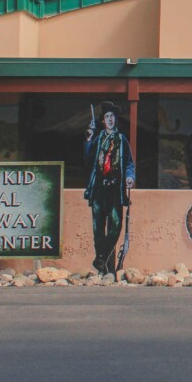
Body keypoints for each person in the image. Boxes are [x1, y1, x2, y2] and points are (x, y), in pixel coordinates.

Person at [83, 101, 135, 274]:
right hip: (99, 188)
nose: (110, 119)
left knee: (116, 224)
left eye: (112, 116)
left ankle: (101, 258)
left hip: (114, 188)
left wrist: (129, 177)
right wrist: (89, 139)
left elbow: (128, 163)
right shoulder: (99, 139)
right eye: (107, 117)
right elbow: (89, 159)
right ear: (103, 121)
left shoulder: (121, 140)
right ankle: (102, 266)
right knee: (98, 227)